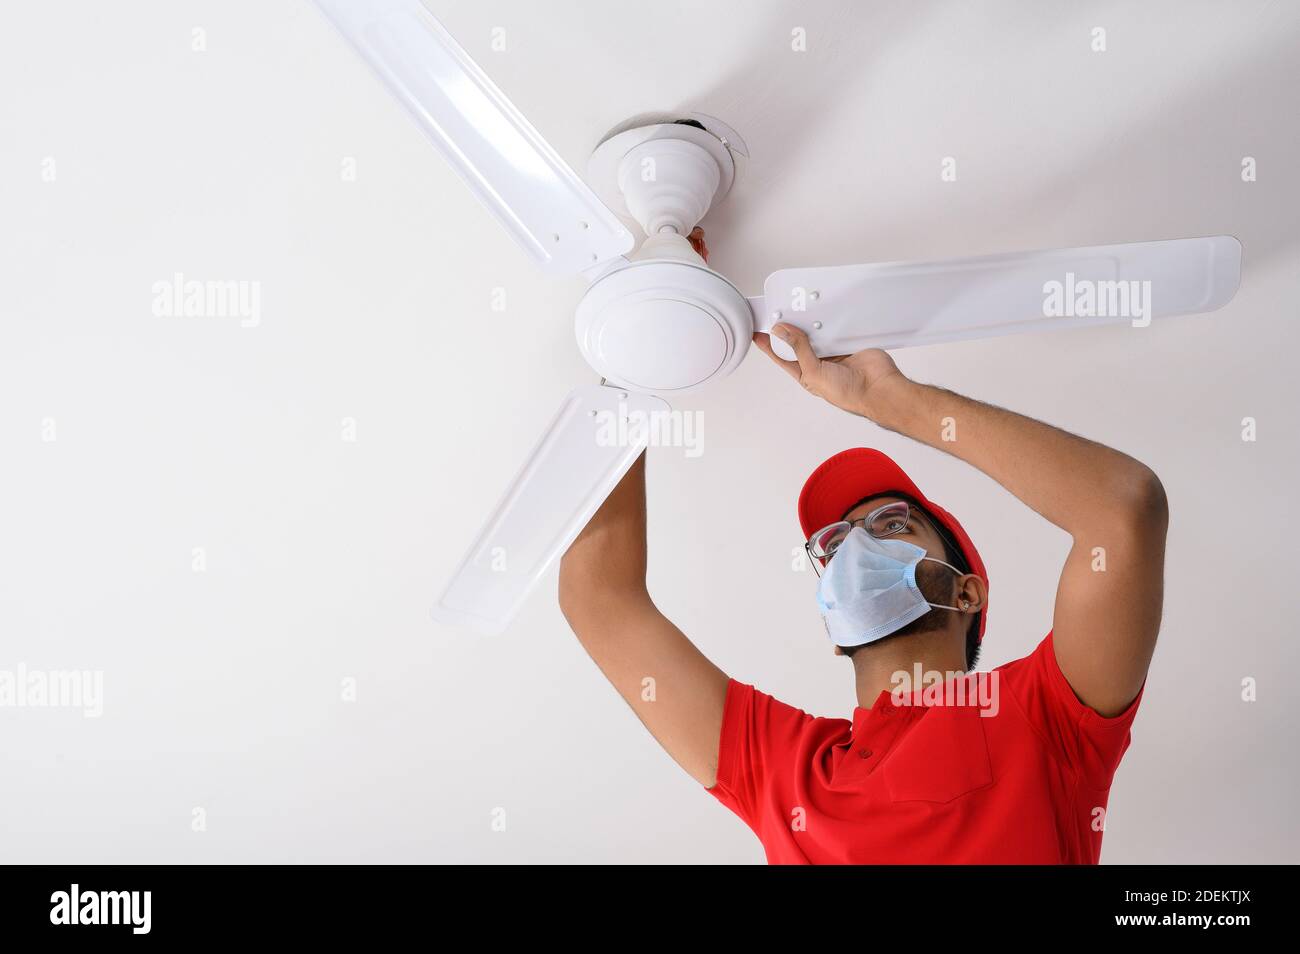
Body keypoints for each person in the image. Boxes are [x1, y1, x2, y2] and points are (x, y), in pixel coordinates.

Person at [558, 230, 1165, 864]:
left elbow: (1124, 510)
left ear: (966, 591)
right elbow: (600, 599)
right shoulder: (786, 771)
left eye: (893, 526)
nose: (854, 550)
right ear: (833, 617)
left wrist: (889, 402)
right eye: (835, 544)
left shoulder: (1044, 719)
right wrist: (632, 349)